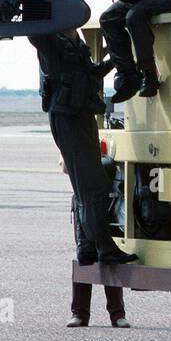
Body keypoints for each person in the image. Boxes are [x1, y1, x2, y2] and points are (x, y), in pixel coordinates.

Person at [29, 28, 137, 267]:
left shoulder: (76, 43)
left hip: (82, 115)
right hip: (68, 118)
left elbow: (92, 71)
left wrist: (120, 58)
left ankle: (89, 248)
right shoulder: (51, 43)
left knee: (92, 184)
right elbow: (34, 32)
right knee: (91, 187)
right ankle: (103, 248)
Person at [61, 158, 129, 328]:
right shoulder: (73, 140)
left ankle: (117, 314)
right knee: (85, 254)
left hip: (108, 199)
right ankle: (79, 313)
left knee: (108, 255)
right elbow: (65, 167)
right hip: (84, 200)